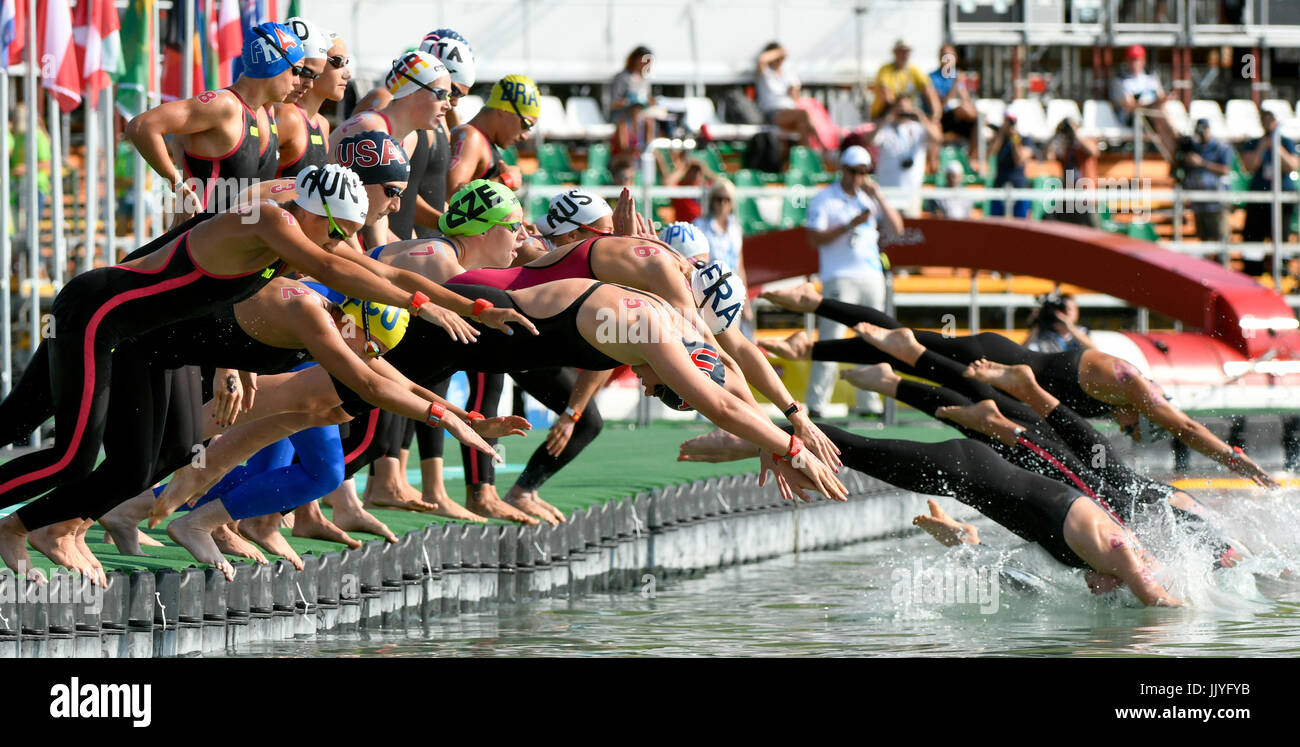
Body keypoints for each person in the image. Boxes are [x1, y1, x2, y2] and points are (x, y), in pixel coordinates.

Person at [0, 164, 497, 579]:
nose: (342, 242)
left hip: (145, 338)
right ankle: (21, 527)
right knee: (71, 459)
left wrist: (473, 308)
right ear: (311, 210)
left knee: (159, 450)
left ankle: (43, 526)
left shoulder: (306, 225)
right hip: (98, 315)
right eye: (337, 231)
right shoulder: (274, 224)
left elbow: (380, 272)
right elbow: (338, 279)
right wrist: (423, 316)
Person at [756, 283, 1279, 487]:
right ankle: (817, 304)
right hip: (998, 360)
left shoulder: (1128, 398)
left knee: (906, 354)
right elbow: (1186, 427)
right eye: (1135, 428)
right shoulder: (1136, 389)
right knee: (903, 341)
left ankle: (811, 347)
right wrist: (1239, 460)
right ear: (1141, 412)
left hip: (1003, 390)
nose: (1126, 428)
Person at [126, 22, 306, 212]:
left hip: (231, 236)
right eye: (296, 70)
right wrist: (179, 186)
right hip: (200, 235)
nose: (298, 81)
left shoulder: (259, 113)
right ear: (274, 63)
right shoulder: (225, 105)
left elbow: (181, 139)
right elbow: (141, 126)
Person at [803, 145, 903, 418]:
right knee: (831, 340)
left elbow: (897, 228)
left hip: (871, 277)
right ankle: (816, 403)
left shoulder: (869, 198)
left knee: (873, 342)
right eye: (854, 171)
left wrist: (879, 196)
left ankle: (870, 403)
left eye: (864, 172)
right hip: (839, 277)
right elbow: (813, 239)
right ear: (842, 169)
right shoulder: (825, 199)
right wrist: (850, 224)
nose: (859, 177)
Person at [330, 50, 454, 246]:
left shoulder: (410, 138)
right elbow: (337, 204)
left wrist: (385, 254)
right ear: (411, 91)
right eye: (441, 94)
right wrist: (367, 261)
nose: (448, 105)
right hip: (327, 230)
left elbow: (380, 210)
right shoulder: (370, 128)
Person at [276, 18, 348, 179]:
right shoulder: (286, 116)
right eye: (338, 62)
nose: (347, 73)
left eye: (346, 63)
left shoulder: (322, 124)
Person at [446, 74, 539, 197]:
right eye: (525, 125)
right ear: (504, 110)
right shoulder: (471, 138)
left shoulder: (482, 140)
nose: (525, 136)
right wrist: (505, 181)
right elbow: (451, 194)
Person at [1239, 108, 1299, 277]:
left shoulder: (1286, 142)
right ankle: (1253, 273)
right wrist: (1263, 146)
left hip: (1282, 199)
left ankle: (1282, 273)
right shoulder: (1254, 143)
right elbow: (1250, 167)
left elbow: (1292, 166)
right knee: (1254, 237)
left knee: (1282, 237)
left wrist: (1276, 146)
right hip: (1259, 198)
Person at [871, 97, 939, 217]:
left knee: (911, 232)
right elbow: (870, 140)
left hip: (912, 193)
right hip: (888, 193)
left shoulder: (918, 128)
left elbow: (937, 138)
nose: (903, 113)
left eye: (906, 109)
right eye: (899, 109)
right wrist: (885, 120)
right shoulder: (885, 129)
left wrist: (922, 118)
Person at [1177, 118, 1233, 254]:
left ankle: (1223, 271)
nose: (1201, 135)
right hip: (1199, 201)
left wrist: (1202, 163)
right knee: (1204, 241)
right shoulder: (1194, 147)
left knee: (1221, 241)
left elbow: (1225, 169)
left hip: (1217, 201)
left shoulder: (1221, 147)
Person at [755, 42, 820, 149]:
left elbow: (796, 98)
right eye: (777, 58)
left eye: (782, 58)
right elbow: (762, 59)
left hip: (789, 113)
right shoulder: (765, 73)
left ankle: (806, 154)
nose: (780, 61)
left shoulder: (787, 74)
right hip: (773, 113)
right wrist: (780, 51)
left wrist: (793, 90)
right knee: (804, 116)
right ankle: (818, 151)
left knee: (803, 125)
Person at [924, 44, 979, 169]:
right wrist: (955, 86)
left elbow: (966, 101)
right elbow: (938, 106)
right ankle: (933, 165)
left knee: (976, 120)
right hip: (939, 117)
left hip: (955, 118)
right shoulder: (932, 78)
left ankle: (973, 159)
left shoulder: (956, 76)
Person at [1044, 117, 1100, 227]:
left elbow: (1093, 152)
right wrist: (1056, 134)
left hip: (1086, 197)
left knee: (1091, 233)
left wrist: (1075, 134)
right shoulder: (1066, 147)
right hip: (1068, 198)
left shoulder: (1086, 142)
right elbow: (1048, 156)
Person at [871, 38, 940, 122]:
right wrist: (903, 107)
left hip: (906, 114)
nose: (905, 54)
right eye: (901, 51)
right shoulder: (885, 69)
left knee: (931, 127)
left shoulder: (914, 70)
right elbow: (886, 95)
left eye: (907, 51)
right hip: (884, 115)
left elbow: (929, 91)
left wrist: (935, 115)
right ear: (895, 52)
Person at [610, 45, 657, 155]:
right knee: (635, 112)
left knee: (648, 119)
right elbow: (614, 102)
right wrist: (630, 101)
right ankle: (632, 149)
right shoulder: (622, 77)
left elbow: (647, 99)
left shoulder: (645, 79)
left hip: (641, 117)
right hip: (623, 116)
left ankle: (647, 150)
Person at [1110, 45, 1166, 129]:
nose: (1134, 63)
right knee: (1158, 118)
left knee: (1164, 113)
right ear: (1126, 61)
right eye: (1131, 59)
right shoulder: (1120, 81)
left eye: (1137, 59)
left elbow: (1161, 97)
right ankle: (1180, 139)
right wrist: (1152, 104)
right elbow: (1130, 106)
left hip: (1154, 116)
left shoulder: (1151, 77)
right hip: (1131, 118)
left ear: (1143, 60)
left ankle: (1181, 138)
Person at [988, 113, 1032, 218]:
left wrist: (1015, 139)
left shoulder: (1025, 139)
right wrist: (1001, 134)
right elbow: (991, 154)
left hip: (1019, 186)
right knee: (996, 220)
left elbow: (1019, 160)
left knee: (1020, 221)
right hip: (1000, 185)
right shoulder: (999, 139)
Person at [1024, 292, 1095, 353]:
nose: (1065, 312)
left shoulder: (1081, 332)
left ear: (1077, 312)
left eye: (1069, 309)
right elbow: (1021, 354)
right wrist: (1036, 327)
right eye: (1062, 309)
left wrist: (1070, 328)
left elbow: (1094, 351)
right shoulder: (1043, 334)